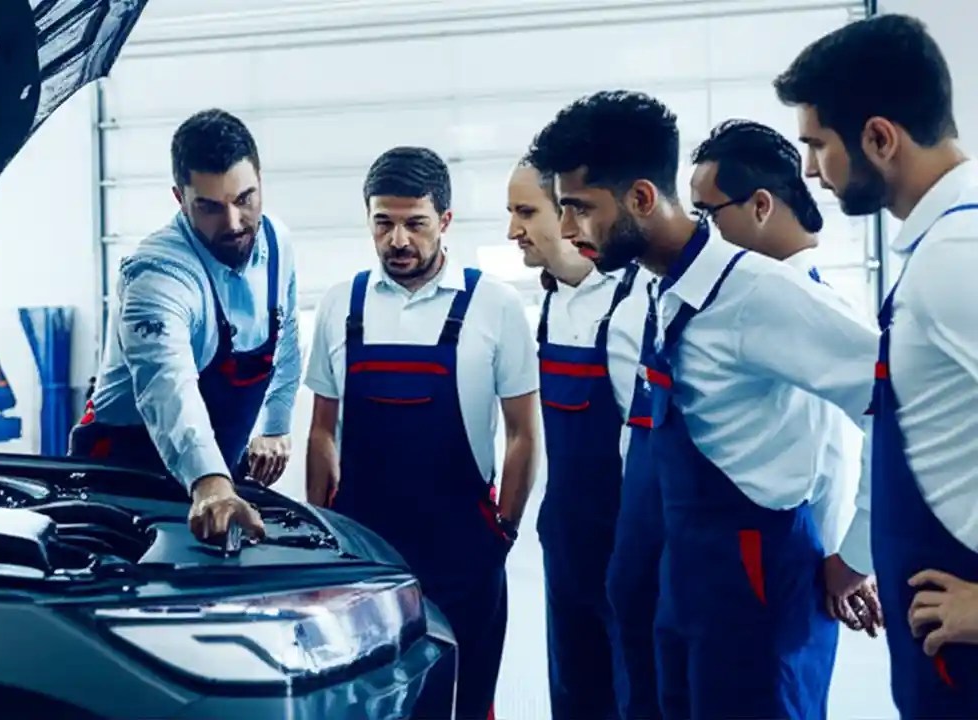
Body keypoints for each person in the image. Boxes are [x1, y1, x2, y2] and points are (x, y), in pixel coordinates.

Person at [526, 89, 880, 719]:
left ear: (640, 198)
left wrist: (859, 550)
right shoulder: (663, 298)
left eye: (580, 209)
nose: (569, 228)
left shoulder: (757, 293)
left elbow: (897, 398)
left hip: (756, 586)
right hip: (683, 587)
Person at [776, 13, 978, 716]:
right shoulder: (938, 249)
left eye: (816, 144)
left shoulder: (958, 258)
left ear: (879, 138)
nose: (808, 168)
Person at [305, 146, 539, 720]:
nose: (398, 240)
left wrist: (501, 531)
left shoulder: (494, 305)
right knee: (369, 703)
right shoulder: (342, 304)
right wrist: (324, 529)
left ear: (446, 221)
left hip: (465, 551)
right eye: (383, 223)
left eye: (416, 223)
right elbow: (320, 430)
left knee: (465, 700)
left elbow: (523, 433)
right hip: (366, 555)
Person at [70, 108, 300, 542]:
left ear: (261, 181)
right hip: (124, 477)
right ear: (180, 198)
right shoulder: (156, 274)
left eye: (244, 199)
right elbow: (167, 386)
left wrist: (276, 422)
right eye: (210, 207)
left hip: (216, 473)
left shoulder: (276, 241)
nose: (233, 223)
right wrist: (209, 481)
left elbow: (285, 338)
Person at [689, 118, 869, 631]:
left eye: (709, 215)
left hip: (787, 566)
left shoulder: (793, 301)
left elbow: (891, 415)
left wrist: (853, 556)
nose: (701, 235)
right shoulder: (777, 291)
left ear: (761, 206)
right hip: (780, 561)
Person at [507, 155, 653, 718]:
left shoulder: (636, 304)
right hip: (566, 544)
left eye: (526, 212)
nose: (513, 229)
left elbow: (644, 452)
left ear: (568, 214)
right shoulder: (548, 301)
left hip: (625, 545)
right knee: (572, 697)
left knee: (633, 697)